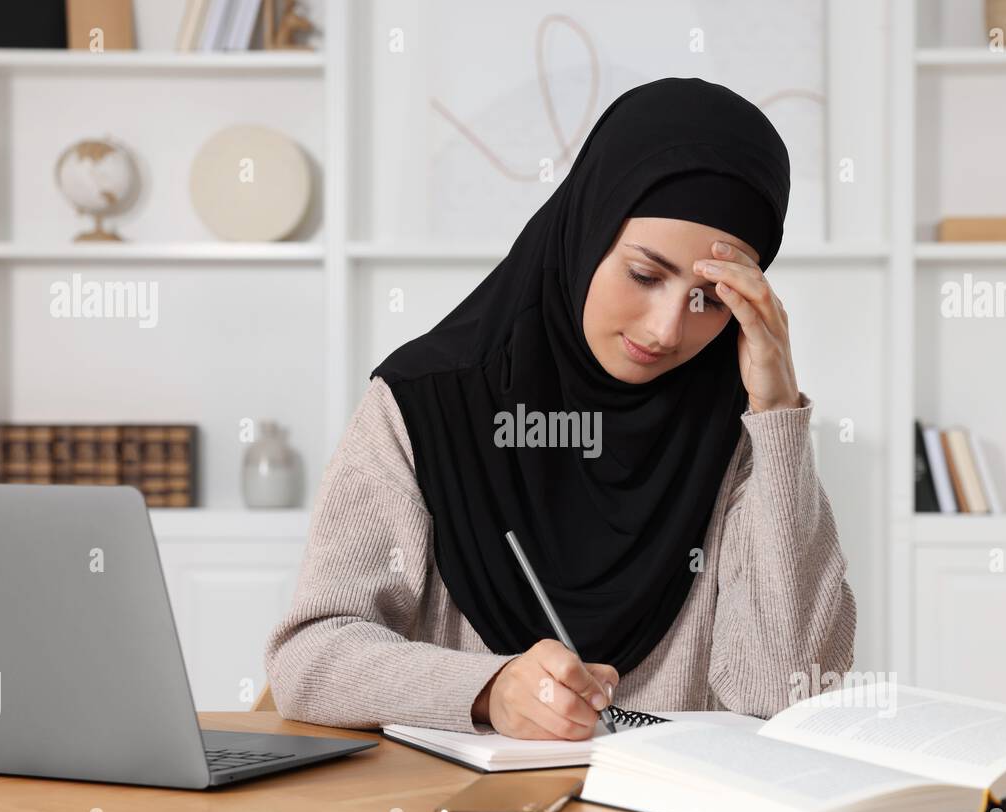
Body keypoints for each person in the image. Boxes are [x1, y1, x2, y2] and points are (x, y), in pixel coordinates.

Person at [265, 77, 856, 740]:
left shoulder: (746, 434)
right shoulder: (426, 402)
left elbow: (785, 698)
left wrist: (777, 415)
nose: (665, 329)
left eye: (710, 300)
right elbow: (310, 659)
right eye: (644, 273)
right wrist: (487, 689)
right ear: (588, 228)